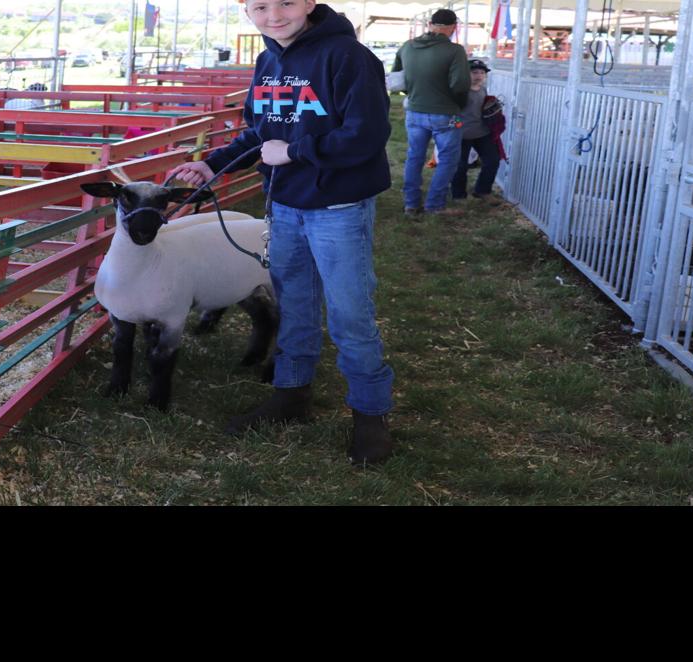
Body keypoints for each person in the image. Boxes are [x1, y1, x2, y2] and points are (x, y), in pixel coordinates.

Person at [167, 0, 396, 465]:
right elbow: (260, 132)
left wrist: (294, 153)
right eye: (260, 6)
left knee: (350, 310)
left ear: (309, 2)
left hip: (338, 205)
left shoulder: (347, 56)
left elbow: (367, 135)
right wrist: (209, 163)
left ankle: (370, 414)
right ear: (246, 9)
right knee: (294, 301)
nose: (274, 15)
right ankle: (292, 392)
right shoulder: (268, 61)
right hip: (286, 205)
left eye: (287, 2)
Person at [389, 9, 470, 216]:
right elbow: (460, 85)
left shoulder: (407, 46)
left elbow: (397, 79)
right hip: (447, 113)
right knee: (448, 159)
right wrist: (459, 105)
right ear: (453, 27)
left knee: (414, 157)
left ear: (430, 24)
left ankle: (411, 203)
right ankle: (435, 205)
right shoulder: (455, 51)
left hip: (415, 110)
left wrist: (414, 93)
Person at [449, 58, 505, 202]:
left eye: (482, 72)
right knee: (460, 165)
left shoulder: (483, 89)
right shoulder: (459, 91)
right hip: (462, 134)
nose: (479, 75)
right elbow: (451, 112)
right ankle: (458, 195)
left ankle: (483, 190)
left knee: (493, 160)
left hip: (482, 132)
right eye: (474, 72)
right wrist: (456, 128)